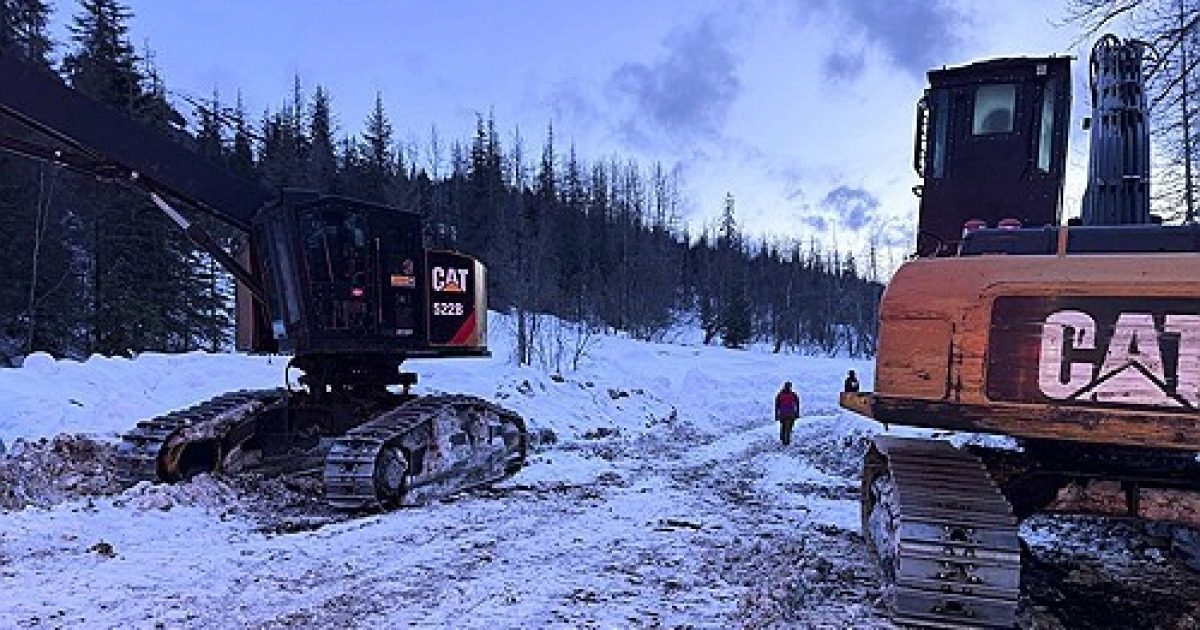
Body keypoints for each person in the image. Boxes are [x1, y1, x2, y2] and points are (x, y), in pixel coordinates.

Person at [774, 381, 800, 446]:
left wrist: (776, 415)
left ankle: (784, 440)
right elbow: (797, 404)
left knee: (785, 427)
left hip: (785, 414)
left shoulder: (780, 395)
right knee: (788, 428)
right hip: (789, 414)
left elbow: (777, 406)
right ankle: (786, 441)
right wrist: (797, 413)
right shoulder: (793, 394)